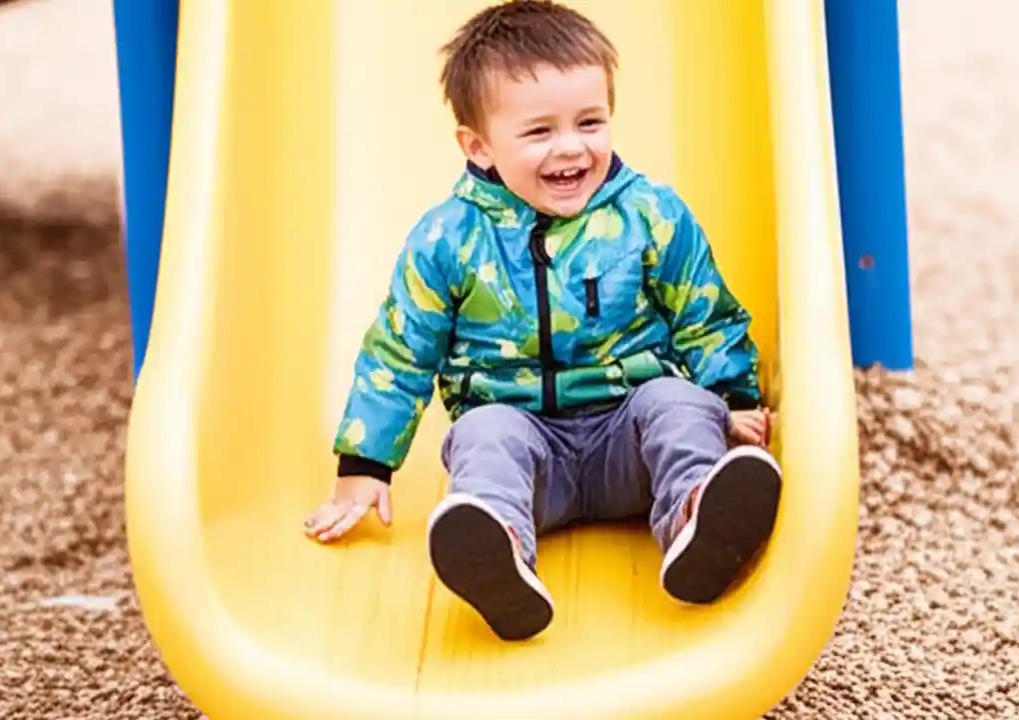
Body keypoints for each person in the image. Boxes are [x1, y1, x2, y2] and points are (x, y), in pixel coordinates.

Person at [303, 0, 782, 642]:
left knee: (676, 401)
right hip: (532, 460)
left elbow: (703, 309)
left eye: (590, 121)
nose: (571, 147)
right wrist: (365, 463)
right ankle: (498, 549)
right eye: (539, 132)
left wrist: (732, 399)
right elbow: (400, 351)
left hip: (628, 435)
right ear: (479, 147)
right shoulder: (448, 239)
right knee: (485, 434)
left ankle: (696, 516)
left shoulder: (649, 214)